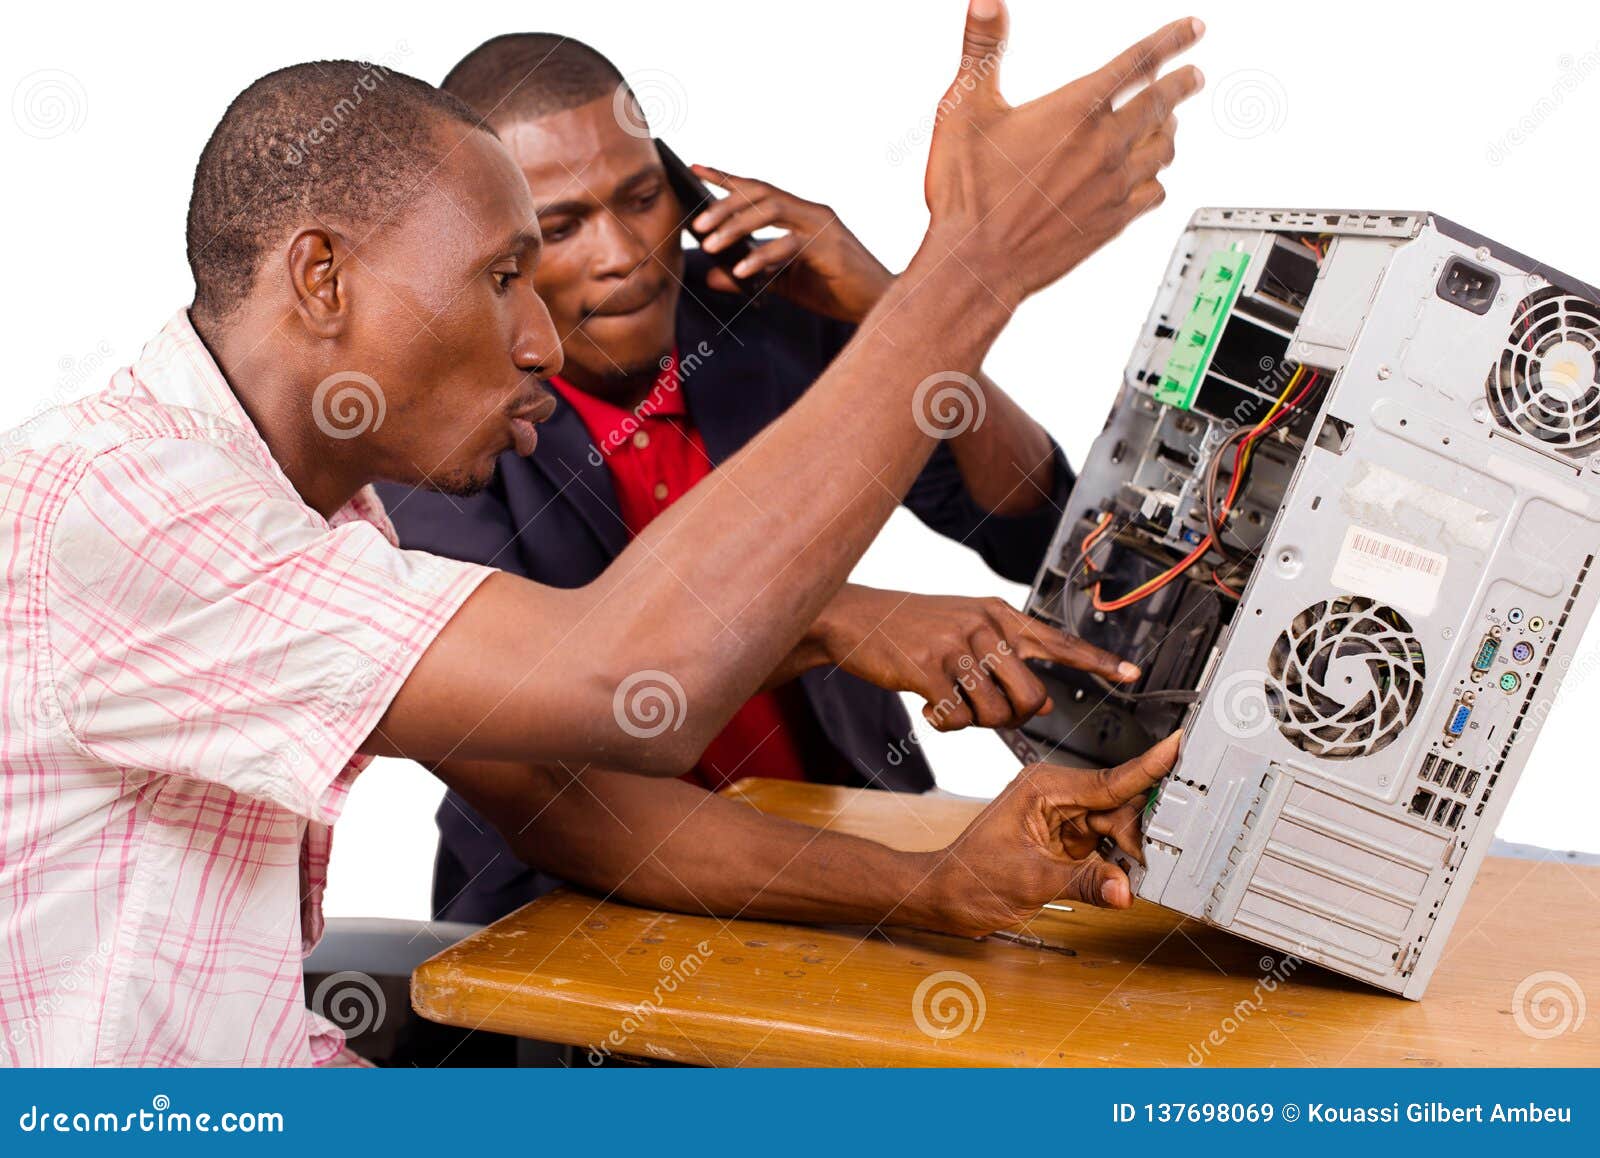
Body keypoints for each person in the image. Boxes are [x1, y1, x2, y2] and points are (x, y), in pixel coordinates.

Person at [0, 0, 1203, 1065]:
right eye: (502, 275)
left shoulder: (301, 512)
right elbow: (635, 679)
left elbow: (568, 802)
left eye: (638, 206)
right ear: (321, 278)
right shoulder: (130, 506)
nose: (541, 338)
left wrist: (934, 885)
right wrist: (969, 268)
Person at [379, 32, 1125, 923]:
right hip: (578, 898)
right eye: (561, 226)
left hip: (846, 840)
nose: (622, 253)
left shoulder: (766, 321)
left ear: (684, 190)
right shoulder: (423, 428)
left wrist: (897, 309)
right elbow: (543, 711)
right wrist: (839, 619)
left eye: (642, 197)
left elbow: (1028, 526)